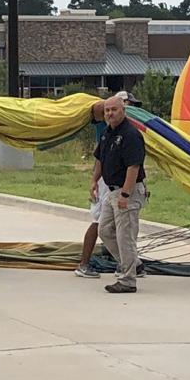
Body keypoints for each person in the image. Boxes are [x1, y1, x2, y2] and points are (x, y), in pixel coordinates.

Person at [75, 95, 146, 279]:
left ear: (123, 110)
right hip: (111, 191)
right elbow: (100, 158)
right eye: (107, 110)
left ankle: (128, 278)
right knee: (105, 230)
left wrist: (125, 194)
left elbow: (133, 167)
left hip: (126, 191)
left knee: (125, 237)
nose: (110, 113)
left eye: (114, 110)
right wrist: (94, 181)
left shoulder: (131, 135)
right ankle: (132, 263)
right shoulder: (107, 133)